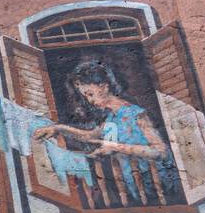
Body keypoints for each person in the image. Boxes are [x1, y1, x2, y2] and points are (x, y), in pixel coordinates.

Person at [33, 60, 179, 203]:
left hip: (160, 187)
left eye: (90, 94)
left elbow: (161, 151)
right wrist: (58, 128)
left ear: (103, 87)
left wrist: (115, 147)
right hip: (136, 190)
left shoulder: (137, 114)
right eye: (86, 96)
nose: (89, 100)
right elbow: (89, 136)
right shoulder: (110, 118)